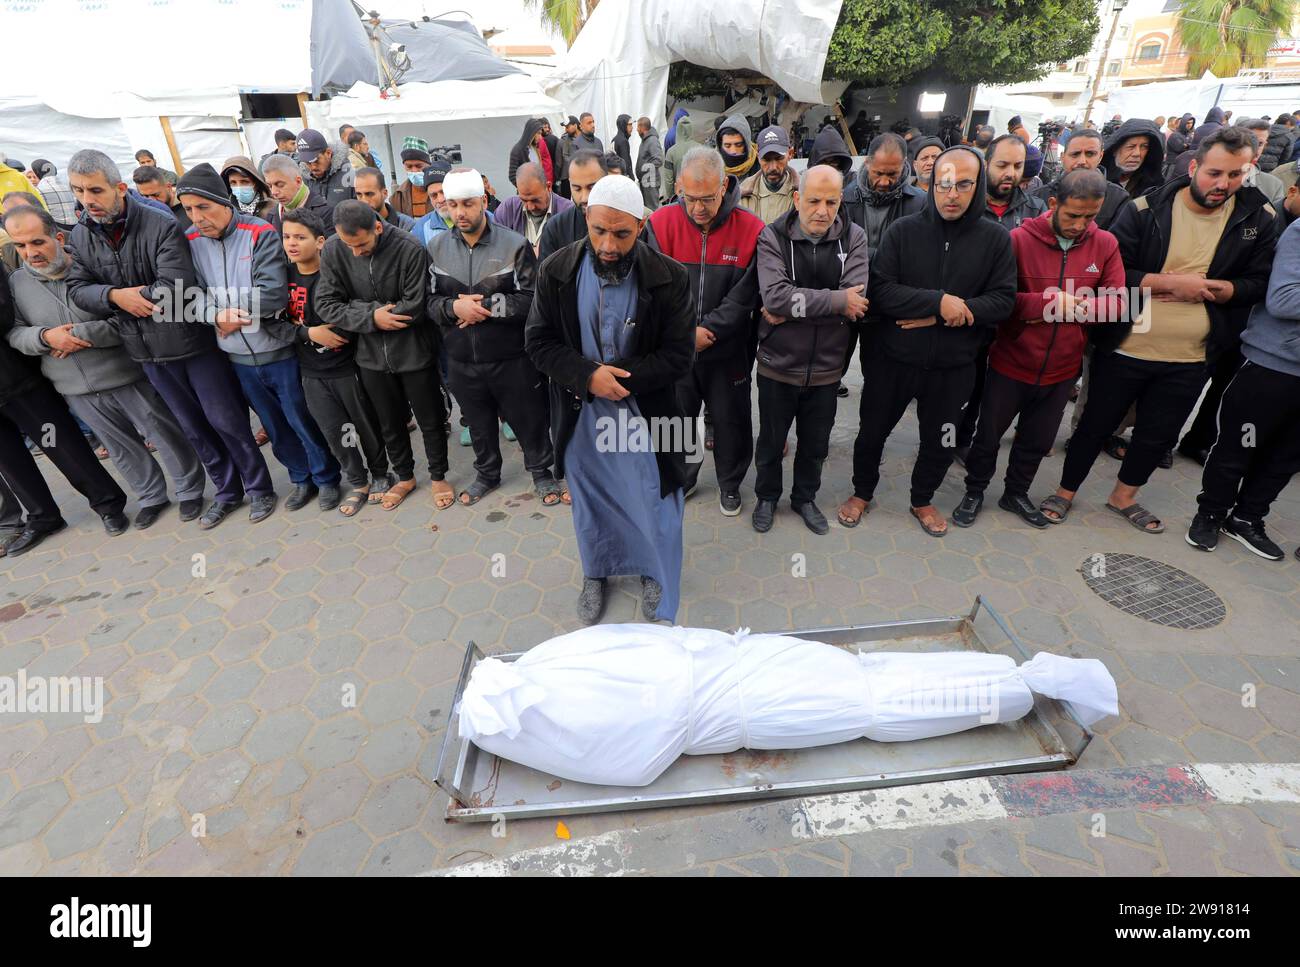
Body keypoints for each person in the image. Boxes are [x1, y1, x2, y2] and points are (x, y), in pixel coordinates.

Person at [1048, 127, 1278, 532]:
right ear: (1194, 167)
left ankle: (1124, 496)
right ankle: (1065, 492)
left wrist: (1220, 290)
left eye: (1235, 175)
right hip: (1127, 344)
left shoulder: (1257, 219)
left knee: (1158, 434)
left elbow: (1259, 283)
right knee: (1095, 425)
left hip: (1193, 354)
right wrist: (1169, 283)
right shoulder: (1145, 209)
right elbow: (1113, 273)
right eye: (1214, 173)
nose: (1223, 184)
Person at [64, 149, 276, 529]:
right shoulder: (81, 234)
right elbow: (78, 289)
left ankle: (259, 488)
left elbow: (175, 286)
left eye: (95, 190)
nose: (87, 200)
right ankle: (227, 492)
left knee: (225, 419)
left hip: (193, 342)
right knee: (192, 427)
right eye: (78, 191)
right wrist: (115, 296)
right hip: (145, 350)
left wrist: (128, 298)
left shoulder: (159, 223)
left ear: (119, 187)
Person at [525, 175, 693, 625]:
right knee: (592, 500)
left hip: (649, 413)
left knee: (654, 499)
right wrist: (587, 376)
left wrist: (621, 379)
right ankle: (597, 571)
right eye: (599, 231)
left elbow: (679, 356)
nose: (609, 245)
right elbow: (538, 343)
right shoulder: (555, 270)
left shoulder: (670, 277)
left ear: (641, 226)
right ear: (586, 219)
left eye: (621, 234)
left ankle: (653, 572)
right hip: (582, 412)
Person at [837, 145, 1016, 535]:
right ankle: (861, 492)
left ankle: (922, 498)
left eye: (963, 185)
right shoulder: (904, 232)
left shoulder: (995, 239)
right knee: (871, 432)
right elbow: (881, 290)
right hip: (894, 360)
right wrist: (939, 302)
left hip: (954, 367)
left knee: (941, 439)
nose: (952, 195)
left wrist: (945, 312)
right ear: (931, 184)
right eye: (944, 184)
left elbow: (1003, 301)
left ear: (978, 186)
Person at [5, 205, 206, 530]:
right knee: (120, 448)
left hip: (126, 372)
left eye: (37, 242)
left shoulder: (90, 267)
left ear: (57, 236)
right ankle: (151, 496)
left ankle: (190, 489)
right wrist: (45, 337)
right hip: (75, 387)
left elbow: (125, 316)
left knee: (163, 433)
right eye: (21, 246)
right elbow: (14, 332)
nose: (31, 253)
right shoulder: (17, 283)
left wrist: (78, 336)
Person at [951, 169, 1125, 529]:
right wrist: (1048, 303)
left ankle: (1016, 492)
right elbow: (1000, 300)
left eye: (1090, 216)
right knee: (988, 436)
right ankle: (975, 490)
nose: (1081, 224)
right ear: (1052, 204)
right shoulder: (1017, 240)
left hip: (1063, 369)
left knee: (1038, 439)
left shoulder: (1105, 244)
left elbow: (1119, 304)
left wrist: (1074, 307)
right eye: (1073, 215)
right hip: (1010, 361)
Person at [178, 162, 341, 512]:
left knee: (301, 418)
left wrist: (227, 312)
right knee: (274, 426)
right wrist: (215, 315)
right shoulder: (190, 241)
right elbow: (190, 295)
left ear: (224, 202)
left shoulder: (259, 232)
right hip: (237, 357)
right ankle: (300, 479)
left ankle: (326, 477)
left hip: (278, 350)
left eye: (203, 207)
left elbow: (272, 293)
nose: (197, 217)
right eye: (189, 209)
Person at [427, 168, 558, 506]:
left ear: (483, 201)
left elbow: (531, 300)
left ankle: (542, 472)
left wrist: (483, 306)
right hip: (461, 359)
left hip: (511, 358)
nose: (459, 213)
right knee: (479, 422)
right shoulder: (436, 247)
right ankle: (487, 473)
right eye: (452, 205)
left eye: (468, 204)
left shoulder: (514, 244)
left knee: (529, 418)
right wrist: (454, 308)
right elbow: (426, 302)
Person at [314, 199, 453, 511]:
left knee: (430, 418)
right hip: (369, 355)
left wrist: (370, 315)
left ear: (377, 227)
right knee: (389, 422)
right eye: (349, 244)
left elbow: (414, 304)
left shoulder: (409, 246)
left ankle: (439, 475)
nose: (355, 252)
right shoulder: (336, 249)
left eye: (361, 244)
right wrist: (372, 317)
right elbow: (325, 303)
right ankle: (404, 476)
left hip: (415, 350)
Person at [646, 147, 763, 516]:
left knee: (731, 421)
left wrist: (708, 330)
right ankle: (682, 476)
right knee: (676, 417)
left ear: (725, 186)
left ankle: (730, 483)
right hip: (676, 351)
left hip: (728, 351)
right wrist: (684, 334)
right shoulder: (660, 224)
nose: (698, 208)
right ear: (679, 186)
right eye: (690, 198)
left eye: (707, 199)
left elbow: (745, 297)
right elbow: (654, 291)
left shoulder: (751, 229)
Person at [753, 165, 869, 535]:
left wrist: (792, 306)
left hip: (827, 368)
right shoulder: (771, 237)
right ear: (797, 198)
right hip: (777, 365)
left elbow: (857, 300)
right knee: (771, 441)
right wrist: (836, 301)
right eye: (814, 200)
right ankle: (767, 496)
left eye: (831, 201)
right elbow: (774, 296)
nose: (822, 210)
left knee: (815, 445)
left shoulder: (854, 238)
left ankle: (804, 498)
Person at [0, 259, 131, 555]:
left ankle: (107, 503)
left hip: (17, 380)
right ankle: (42, 517)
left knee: (59, 444)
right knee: (9, 461)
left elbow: (3, 313)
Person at [1187, 218, 1300, 560]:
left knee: (1285, 458)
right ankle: (1210, 513)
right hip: (1272, 367)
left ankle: (1247, 518)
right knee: (1240, 445)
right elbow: (1283, 299)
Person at [281, 208, 391, 518]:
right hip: (311, 372)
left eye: (299, 237)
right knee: (333, 431)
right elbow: (274, 323)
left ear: (320, 242)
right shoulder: (283, 278)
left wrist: (339, 332)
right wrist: (306, 333)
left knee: (363, 425)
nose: (291, 243)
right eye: (287, 236)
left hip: (346, 367)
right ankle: (357, 482)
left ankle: (381, 473)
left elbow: (357, 309)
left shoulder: (336, 273)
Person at [1034, 128, 1128, 229]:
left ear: (1101, 156)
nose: (1082, 161)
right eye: (1075, 154)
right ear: (1062, 157)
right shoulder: (1038, 196)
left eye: (1090, 154)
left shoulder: (1118, 198)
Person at [537, 149, 608, 263]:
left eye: (591, 187)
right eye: (577, 188)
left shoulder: (626, 222)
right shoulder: (555, 229)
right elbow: (546, 278)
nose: (584, 197)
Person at [494, 162, 573, 255]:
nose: (530, 207)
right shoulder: (508, 209)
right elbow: (494, 249)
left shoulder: (569, 213)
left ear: (548, 187)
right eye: (524, 200)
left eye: (535, 200)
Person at [261, 154, 333, 235]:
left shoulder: (325, 213)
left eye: (280, 185)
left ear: (298, 181)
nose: (274, 192)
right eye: (270, 186)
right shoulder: (272, 217)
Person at [738, 125, 798, 223]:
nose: (773, 167)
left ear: (790, 154)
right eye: (766, 159)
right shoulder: (743, 195)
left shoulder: (805, 193)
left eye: (779, 158)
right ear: (758, 157)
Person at [1100, 118, 1165, 199]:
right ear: (1114, 149)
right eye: (1131, 146)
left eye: (1144, 147)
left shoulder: (1151, 187)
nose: (1137, 153)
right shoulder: (1096, 178)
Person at [296, 128, 355, 212]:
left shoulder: (350, 175)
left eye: (316, 161)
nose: (312, 167)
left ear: (328, 153)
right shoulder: (302, 180)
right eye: (307, 162)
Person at [1236, 120, 1287, 205]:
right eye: (1248, 142)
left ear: (1265, 145)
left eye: (1260, 144)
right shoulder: (1212, 174)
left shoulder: (1274, 185)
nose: (1255, 150)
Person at [353, 167, 414, 231]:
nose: (364, 201)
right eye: (359, 194)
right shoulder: (352, 226)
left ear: (384, 193)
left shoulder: (406, 226)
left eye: (369, 194)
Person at [661, 115, 703, 203]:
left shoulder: (671, 152)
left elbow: (668, 179)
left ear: (678, 130)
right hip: (698, 196)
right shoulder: (701, 149)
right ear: (691, 130)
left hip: (679, 196)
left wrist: (671, 197)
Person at [221, 156, 275, 221]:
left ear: (256, 183)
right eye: (233, 182)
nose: (239, 187)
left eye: (244, 182)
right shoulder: (226, 210)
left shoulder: (273, 207)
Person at [390, 138, 434, 219]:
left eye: (419, 166)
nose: (414, 171)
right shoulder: (398, 196)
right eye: (409, 166)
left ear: (429, 165)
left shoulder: (441, 190)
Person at [508, 118, 554, 189]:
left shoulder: (535, 148)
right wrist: (525, 188)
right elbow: (512, 175)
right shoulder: (518, 149)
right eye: (538, 133)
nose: (540, 137)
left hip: (539, 189)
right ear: (531, 132)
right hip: (528, 193)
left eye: (541, 134)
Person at [29, 160, 76, 226]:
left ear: (38, 172)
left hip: (57, 229)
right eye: (29, 177)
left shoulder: (39, 190)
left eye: (34, 175)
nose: (32, 179)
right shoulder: (67, 186)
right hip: (75, 227)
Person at [717, 114, 759, 180]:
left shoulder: (760, 167)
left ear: (746, 145)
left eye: (738, 145)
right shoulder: (711, 169)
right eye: (727, 146)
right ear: (720, 146)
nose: (733, 151)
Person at [634, 117, 664, 211]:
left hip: (650, 182)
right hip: (646, 182)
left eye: (638, 127)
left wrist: (644, 170)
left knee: (652, 210)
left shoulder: (652, 141)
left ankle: (656, 226)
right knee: (647, 209)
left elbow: (658, 159)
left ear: (643, 128)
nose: (637, 129)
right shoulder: (645, 140)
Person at [555, 115, 580, 199]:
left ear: (575, 125)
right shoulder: (562, 141)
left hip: (582, 177)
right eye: (565, 127)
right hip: (566, 179)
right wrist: (557, 178)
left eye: (567, 126)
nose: (566, 129)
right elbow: (558, 163)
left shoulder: (586, 140)